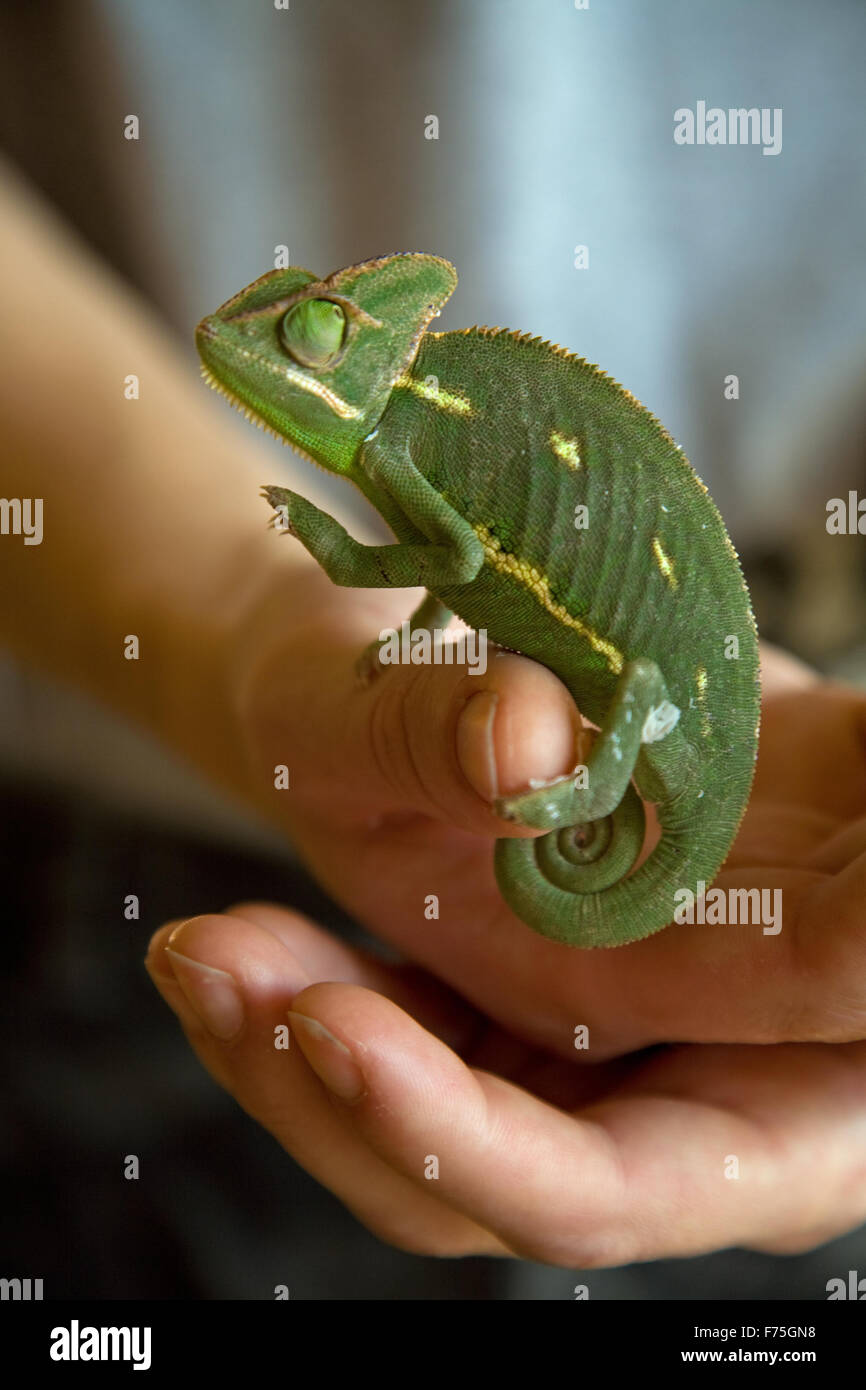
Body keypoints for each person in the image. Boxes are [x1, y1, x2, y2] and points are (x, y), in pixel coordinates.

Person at [2, 162, 865, 1270]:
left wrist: (333, 554)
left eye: (310, 338)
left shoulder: (407, 427)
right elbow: (455, 567)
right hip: (127, 883)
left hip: (768, 753)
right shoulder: (407, 430)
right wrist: (247, 610)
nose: (262, 348)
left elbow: (455, 554)